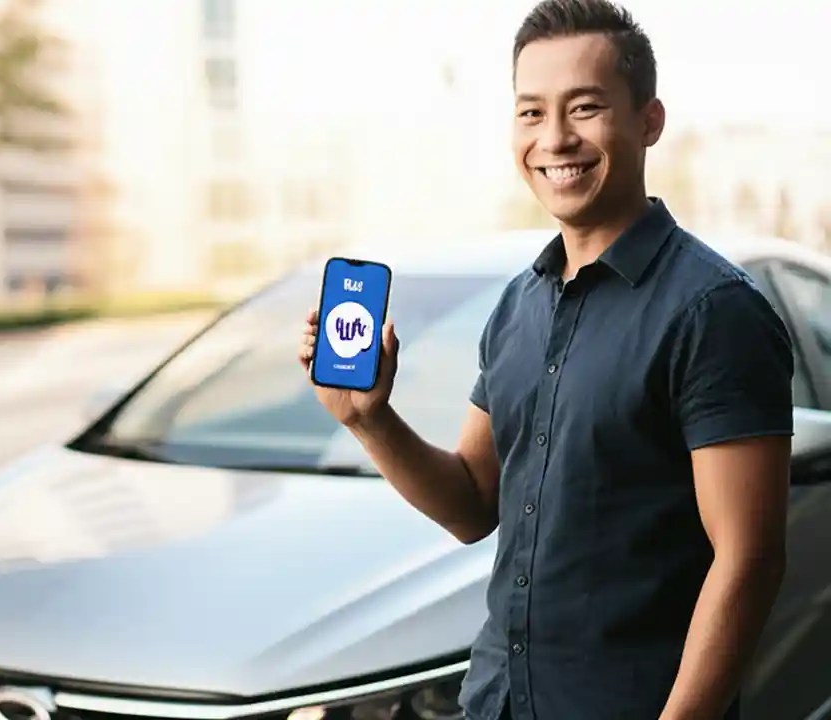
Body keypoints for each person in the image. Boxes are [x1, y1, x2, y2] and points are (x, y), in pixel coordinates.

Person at [298, 1, 793, 719]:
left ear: (648, 120)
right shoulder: (517, 307)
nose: (555, 139)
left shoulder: (712, 311)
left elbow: (749, 563)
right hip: (497, 702)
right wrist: (369, 419)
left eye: (585, 108)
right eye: (531, 113)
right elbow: (472, 504)